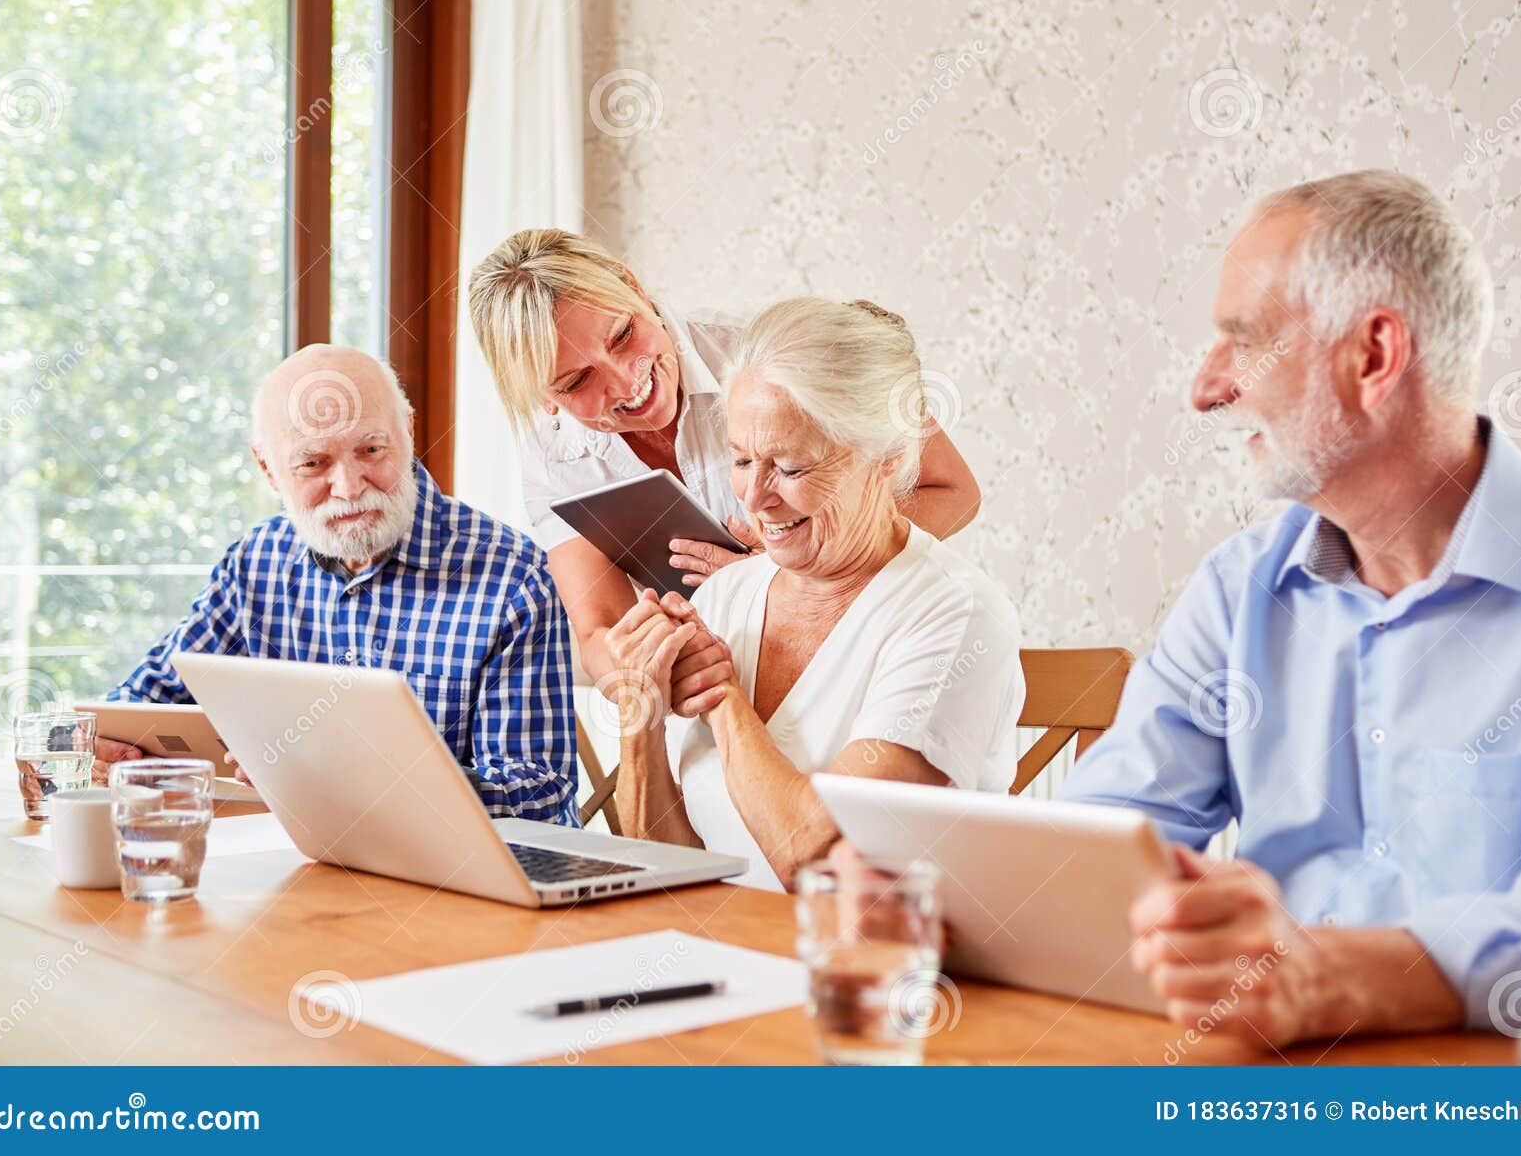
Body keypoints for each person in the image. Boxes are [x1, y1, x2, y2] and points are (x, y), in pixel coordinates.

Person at [1060, 170, 1521, 1046]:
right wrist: (958, 897)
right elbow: (1098, 845)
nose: (1206, 387)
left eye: (1244, 340)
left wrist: (1330, 977)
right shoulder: (1239, 587)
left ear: (1373, 356)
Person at [600, 297, 1024, 891]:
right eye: (741, 459)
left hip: (884, 972)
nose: (753, 497)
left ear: (889, 457)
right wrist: (637, 706)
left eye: (792, 468)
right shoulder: (723, 596)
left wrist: (722, 699)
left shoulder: (957, 615)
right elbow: (667, 875)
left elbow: (829, 868)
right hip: (726, 962)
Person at [466, 229, 984, 707]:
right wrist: (635, 665)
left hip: (861, 660)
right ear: (545, 398)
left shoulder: (763, 356)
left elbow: (952, 489)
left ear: (635, 288)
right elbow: (599, 634)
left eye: (623, 335)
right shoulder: (554, 453)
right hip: (721, 699)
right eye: (577, 382)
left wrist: (787, 578)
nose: (625, 383)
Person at [94, 344, 579, 824]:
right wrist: (99, 752)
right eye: (314, 463)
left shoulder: (513, 576)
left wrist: (350, 781)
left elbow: (536, 796)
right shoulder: (255, 563)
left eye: (371, 449)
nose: (349, 487)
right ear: (268, 467)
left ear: (407, 433)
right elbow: (139, 707)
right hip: (306, 871)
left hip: (471, 882)